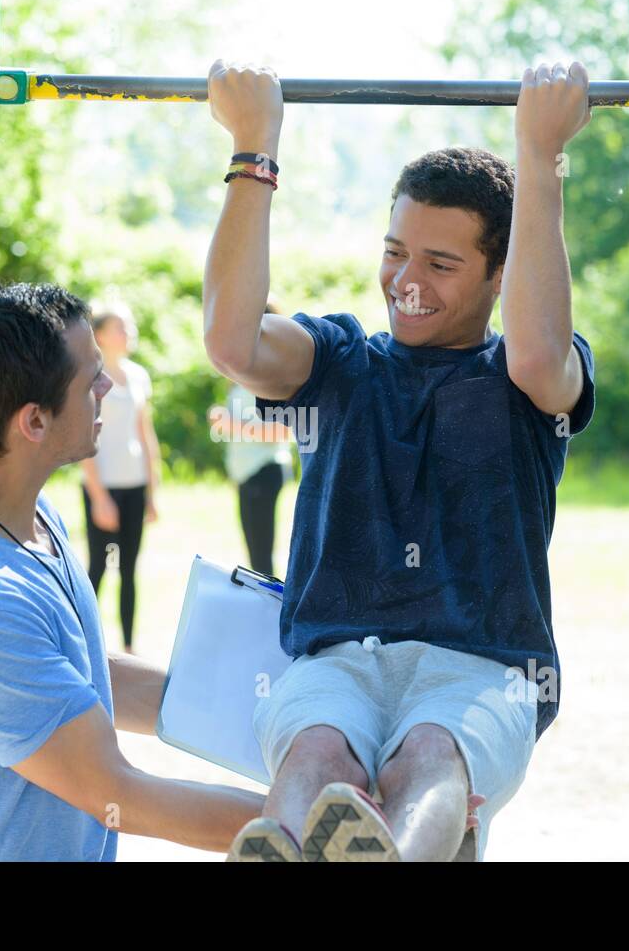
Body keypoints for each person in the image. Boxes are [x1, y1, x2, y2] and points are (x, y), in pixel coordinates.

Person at [202, 59, 596, 862]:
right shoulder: (340, 361)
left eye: (440, 265)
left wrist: (540, 155)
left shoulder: (526, 378)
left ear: (499, 274)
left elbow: (538, 352)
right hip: (336, 661)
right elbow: (232, 341)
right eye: (395, 252)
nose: (405, 282)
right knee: (313, 753)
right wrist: (254, 147)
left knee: (430, 756)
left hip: (478, 670)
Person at [0, 282, 263, 861]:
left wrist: (270, 714)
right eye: (90, 380)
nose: (107, 387)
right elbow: (117, 793)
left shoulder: (12, 505)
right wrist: (303, 821)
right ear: (33, 422)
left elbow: (77, 677)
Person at [79, 298, 160, 654]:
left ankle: (128, 647)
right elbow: (84, 440)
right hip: (104, 486)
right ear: (100, 335)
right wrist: (99, 497)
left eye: (129, 326)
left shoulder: (139, 375)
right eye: (120, 327)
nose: (128, 332)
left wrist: (152, 492)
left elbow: (146, 433)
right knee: (98, 567)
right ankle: (82, 642)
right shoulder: (91, 378)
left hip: (134, 485)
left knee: (130, 570)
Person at [208, 301, 294, 578]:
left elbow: (283, 430)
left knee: (261, 561)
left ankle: (274, 619)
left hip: (264, 470)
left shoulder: (274, 371)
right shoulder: (247, 367)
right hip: (249, 472)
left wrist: (230, 424)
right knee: (256, 559)